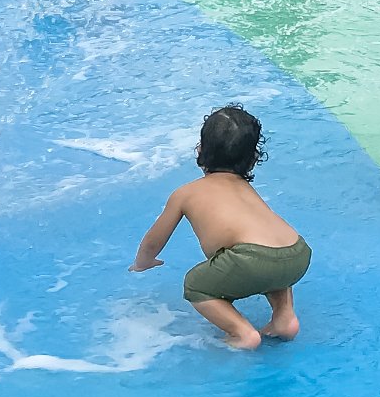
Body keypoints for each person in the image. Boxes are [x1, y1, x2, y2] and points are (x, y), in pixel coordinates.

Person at [130, 105, 309, 350]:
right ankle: (284, 317)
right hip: (296, 254)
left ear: (200, 150)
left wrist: (143, 261)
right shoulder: (246, 189)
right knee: (272, 265)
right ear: (252, 158)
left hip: (250, 261)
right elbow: (270, 247)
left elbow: (154, 240)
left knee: (196, 283)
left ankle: (243, 333)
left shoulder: (185, 193)